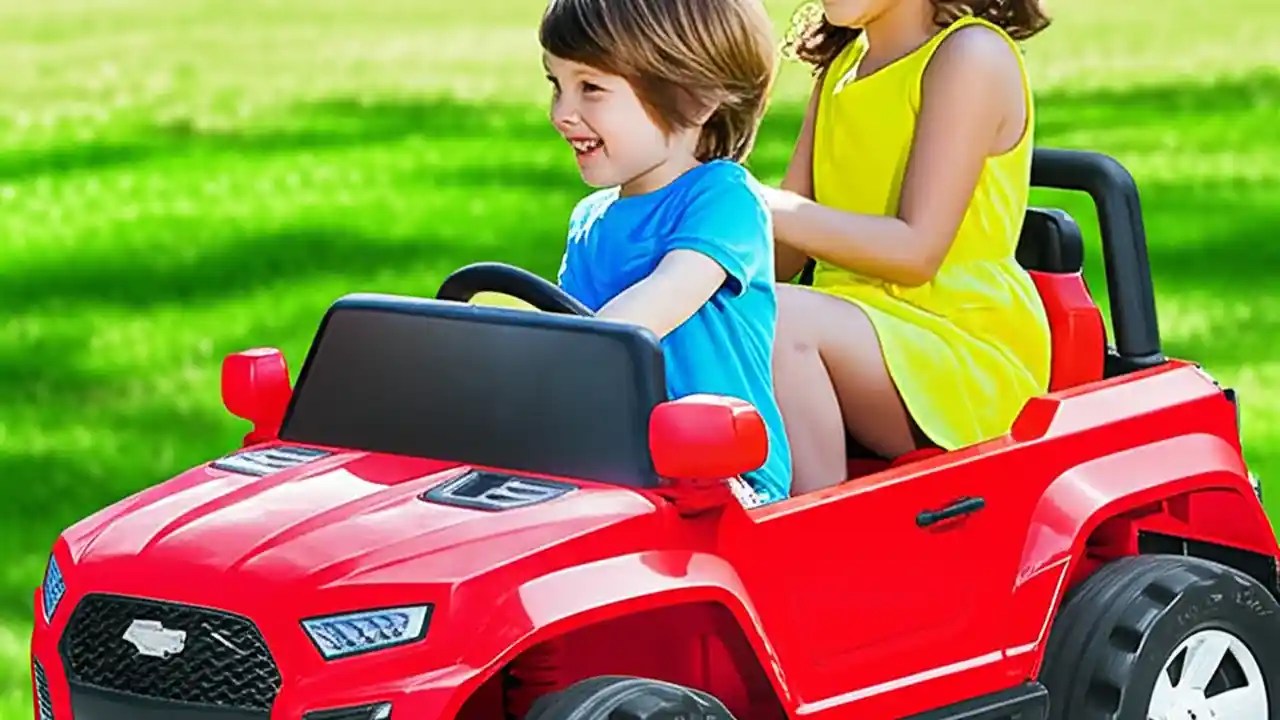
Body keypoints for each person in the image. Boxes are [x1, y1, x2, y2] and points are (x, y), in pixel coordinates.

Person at [765, 0, 1054, 495]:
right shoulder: (841, 67)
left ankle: (814, 536)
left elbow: (916, 252)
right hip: (859, 324)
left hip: (958, 340)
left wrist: (767, 207)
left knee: (780, 320)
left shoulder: (970, 55)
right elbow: (786, 257)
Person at [538, 0, 792, 504]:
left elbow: (653, 307)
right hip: (617, 467)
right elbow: (566, 332)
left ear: (695, 100)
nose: (562, 114)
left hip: (726, 481)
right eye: (556, 85)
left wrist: (544, 367)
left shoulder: (722, 197)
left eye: (591, 88)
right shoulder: (590, 218)